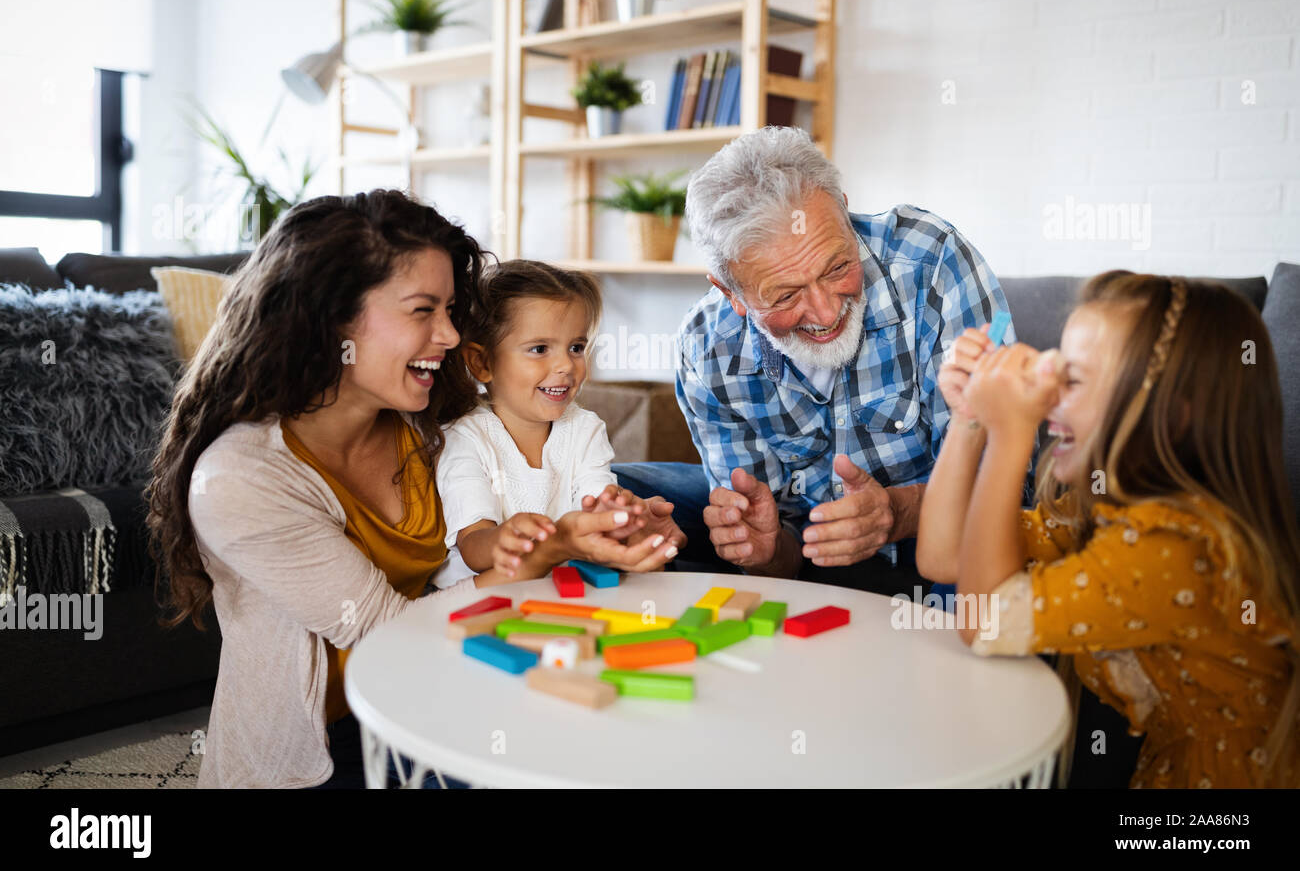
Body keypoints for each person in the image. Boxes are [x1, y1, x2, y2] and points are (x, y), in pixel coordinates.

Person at [148, 189, 526, 788]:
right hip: (328, 743)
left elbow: (526, 485)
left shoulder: (424, 424)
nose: (451, 335)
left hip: (432, 686)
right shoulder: (240, 478)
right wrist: (539, 560)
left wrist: (601, 519)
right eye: (423, 310)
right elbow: (390, 634)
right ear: (331, 319)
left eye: (451, 309)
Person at [920, 271, 1300, 787]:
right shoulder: (1105, 511)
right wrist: (969, 418)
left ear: (1172, 415)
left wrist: (1012, 431)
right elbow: (944, 557)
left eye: (1071, 381)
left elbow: (984, 622)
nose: (1048, 396)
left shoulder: (1175, 545)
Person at [618, 126, 1014, 598]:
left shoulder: (932, 261)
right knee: (618, 493)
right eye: (785, 295)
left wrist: (896, 513)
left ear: (844, 213)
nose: (827, 313)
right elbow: (782, 559)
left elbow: (1008, 479)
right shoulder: (707, 345)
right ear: (731, 293)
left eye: (837, 268)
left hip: (937, 530)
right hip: (808, 549)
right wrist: (764, 552)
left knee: (973, 565)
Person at [434, 259, 683, 584]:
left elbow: (595, 508)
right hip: (484, 597)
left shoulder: (585, 428)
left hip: (560, 592)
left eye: (576, 347)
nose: (566, 364)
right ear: (482, 363)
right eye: (539, 349)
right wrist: (505, 540)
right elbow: (473, 547)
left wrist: (625, 519)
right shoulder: (465, 438)